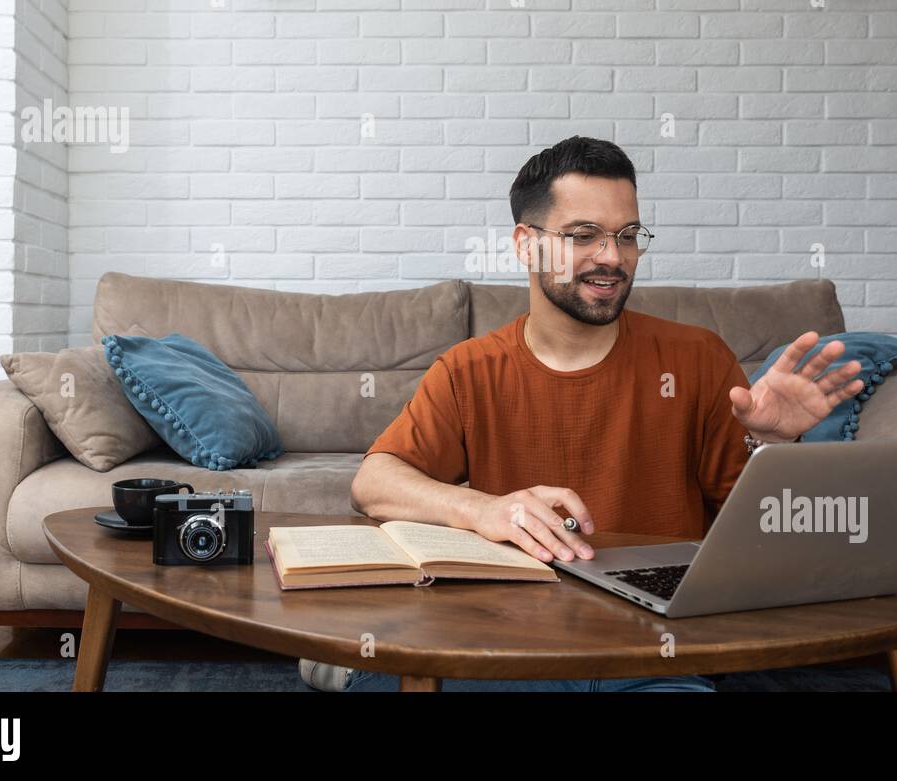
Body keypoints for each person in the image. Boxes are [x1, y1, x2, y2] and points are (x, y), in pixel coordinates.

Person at [299, 136, 863, 692]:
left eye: (627, 236)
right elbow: (372, 482)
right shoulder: (470, 370)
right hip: (511, 647)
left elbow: (770, 533)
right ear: (526, 244)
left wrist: (774, 449)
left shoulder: (698, 358)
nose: (612, 258)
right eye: (583, 236)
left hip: (654, 653)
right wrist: (484, 509)